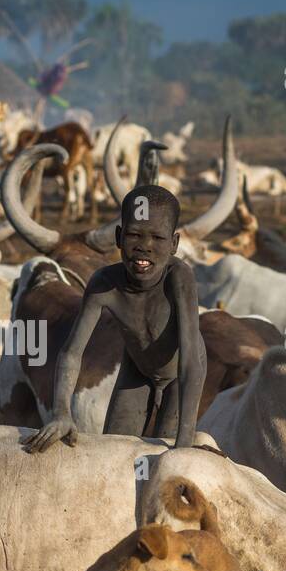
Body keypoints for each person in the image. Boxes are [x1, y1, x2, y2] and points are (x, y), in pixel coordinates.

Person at [24, 184, 207, 453]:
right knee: (114, 451)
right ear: (119, 237)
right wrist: (61, 413)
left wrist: (183, 443)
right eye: (135, 235)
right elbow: (72, 353)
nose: (144, 246)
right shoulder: (104, 283)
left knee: (169, 456)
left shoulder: (179, 279)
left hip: (180, 377)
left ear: (174, 244)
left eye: (157, 238)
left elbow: (191, 360)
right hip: (137, 368)